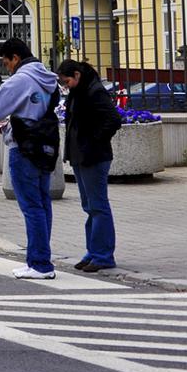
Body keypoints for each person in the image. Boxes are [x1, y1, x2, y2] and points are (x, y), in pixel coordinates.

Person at [0, 38, 62, 280]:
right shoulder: (48, 76)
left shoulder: (19, 80)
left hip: (22, 147)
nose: (6, 67)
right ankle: (40, 259)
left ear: (16, 58)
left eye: (6, 62)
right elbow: (36, 110)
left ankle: (40, 264)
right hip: (44, 144)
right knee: (42, 204)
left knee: (31, 207)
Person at [57, 58, 121, 273]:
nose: (65, 86)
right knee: (89, 206)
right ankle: (93, 251)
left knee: (98, 206)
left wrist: (94, 140)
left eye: (67, 81)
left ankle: (103, 254)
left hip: (94, 156)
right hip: (81, 156)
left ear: (77, 75)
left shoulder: (95, 91)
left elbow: (113, 120)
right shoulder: (79, 91)